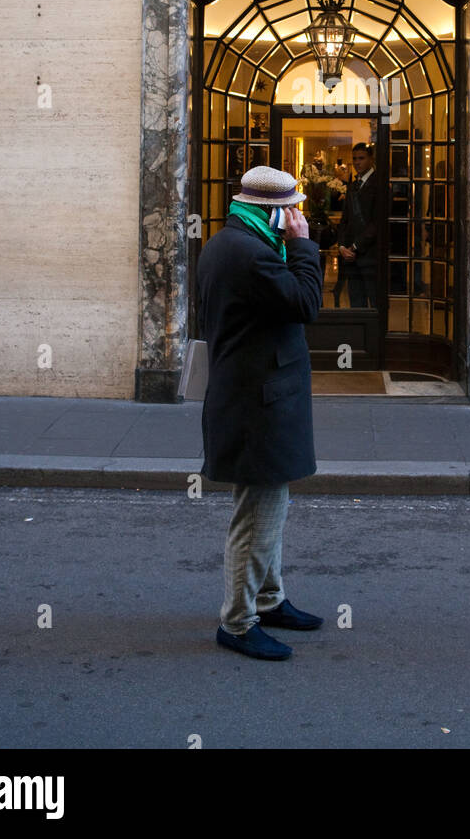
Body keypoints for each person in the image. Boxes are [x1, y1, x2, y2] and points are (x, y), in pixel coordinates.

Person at [196, 165, 324, 661]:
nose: (296, 219)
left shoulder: (230, 242)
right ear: (272, 211)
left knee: (271, 506)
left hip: (259, 395)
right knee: (257, 515)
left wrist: (286, 247)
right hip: (258, 404)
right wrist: (305, 245)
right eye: (291, 211)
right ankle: (238, 621)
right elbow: (306, 303)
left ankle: (268, 600)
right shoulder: (251, 256)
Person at [337, 142, 378, 307]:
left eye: (361, 158)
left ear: (371, 159)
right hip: (350, 257)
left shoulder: (380, 184)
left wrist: (354, 246)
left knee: (375, 303)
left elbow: (377, 223)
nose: (357, 162)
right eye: (354, 159)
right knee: (356, 303)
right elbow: (344, 220)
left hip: (371, 255)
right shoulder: (352, 186)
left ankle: (375, 335)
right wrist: (341, 246)